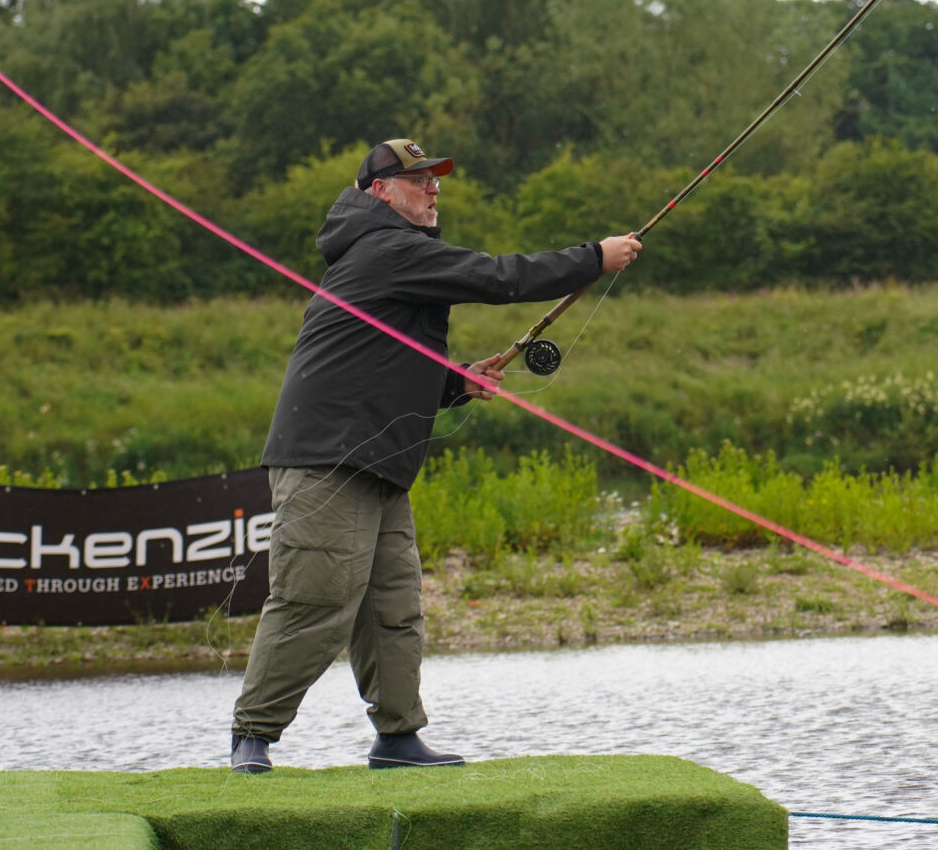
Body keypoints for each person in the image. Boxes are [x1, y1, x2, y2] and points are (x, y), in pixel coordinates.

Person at [229, 137, 641, 771]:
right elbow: (496, 278)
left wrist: (456, 380)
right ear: (379, 192)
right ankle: (251, 736)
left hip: (377, 461)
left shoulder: (389, 256)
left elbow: (388, 359)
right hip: (327, 460)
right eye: (417, 179)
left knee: (392, 607)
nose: (433, 188)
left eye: (435, 178)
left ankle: (397, 737)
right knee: (316, 599)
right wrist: (593, 258)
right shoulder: (387, 248)